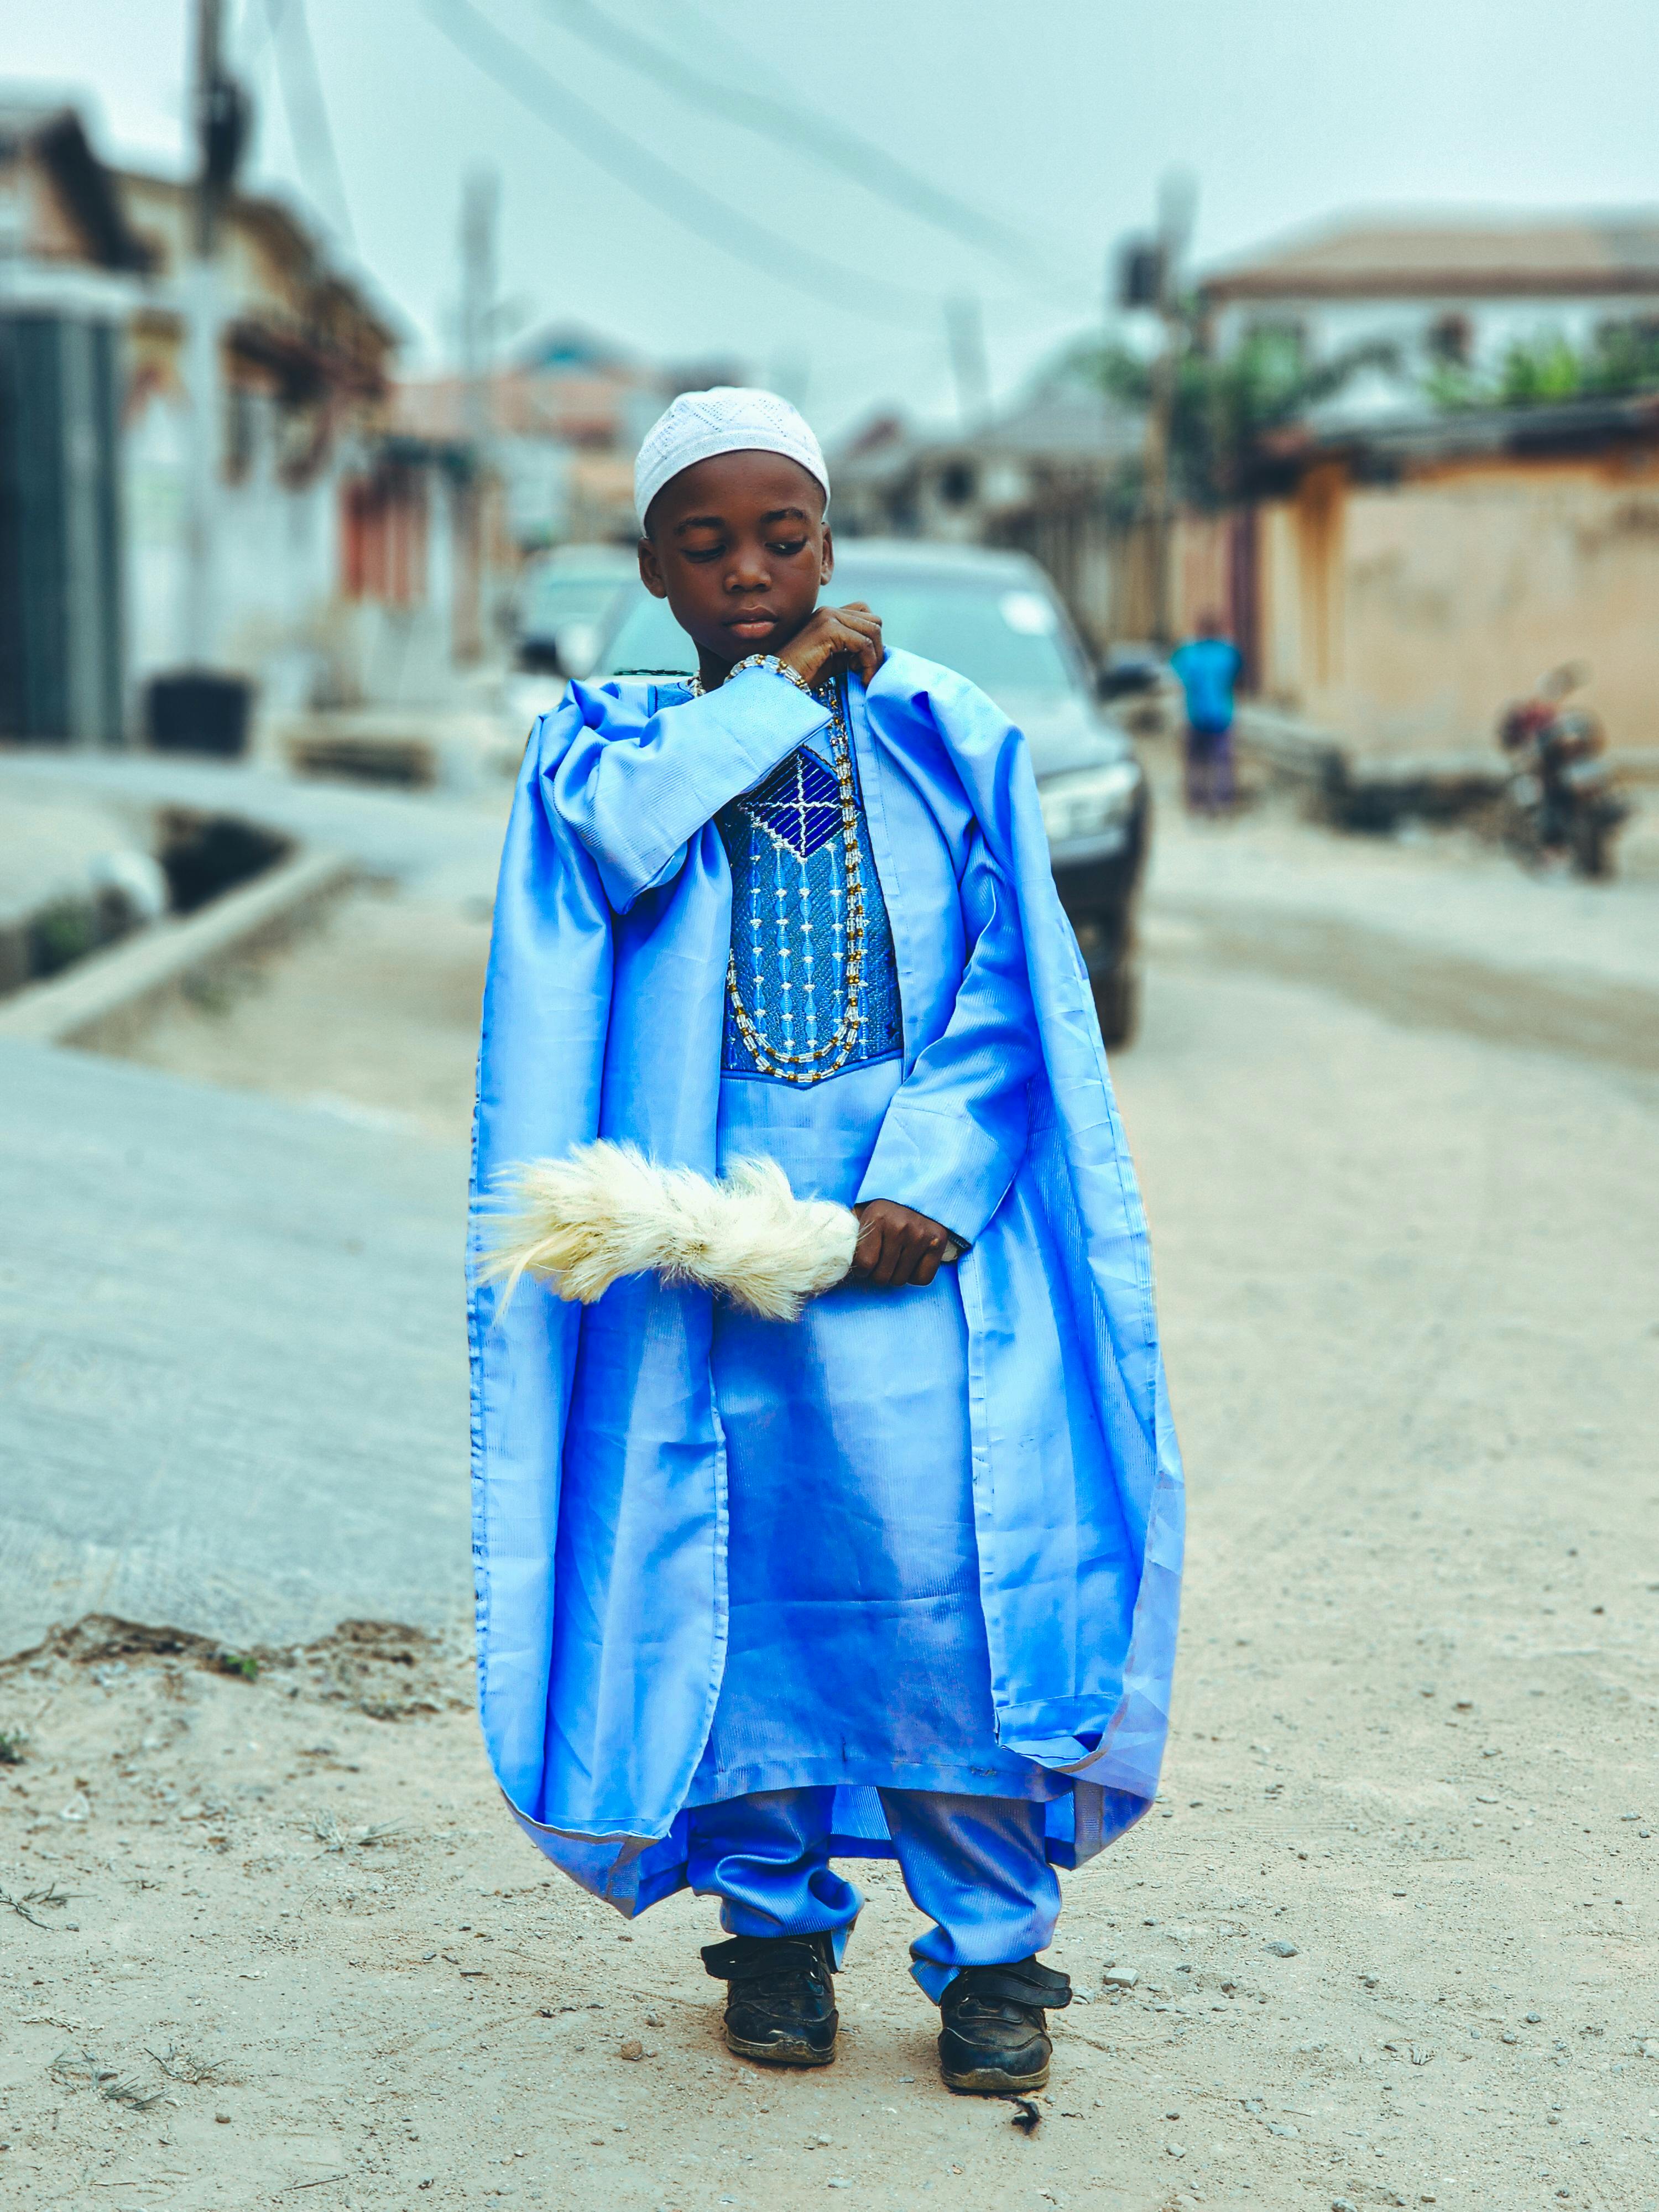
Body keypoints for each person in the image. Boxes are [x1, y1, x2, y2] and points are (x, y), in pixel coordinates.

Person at [467, 388, 1184, 2099]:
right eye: (703, 542)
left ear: (829, 542)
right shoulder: (608, 749)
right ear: (648, 568)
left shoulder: (944, 731)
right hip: (704, 1249)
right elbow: (622, 852)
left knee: (946, 1596)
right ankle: (776, 1936)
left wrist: (921, 1188)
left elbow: (1016, 980)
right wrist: (774, 699)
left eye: (782, 535)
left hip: (912, 1242)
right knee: (741, 1596)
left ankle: (991, 1954)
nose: (749, 571)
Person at [1170, 611, 1243, 815]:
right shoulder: (1227, 653)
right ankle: (1223, 803)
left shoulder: (1189, 653)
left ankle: (1197, 803)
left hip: (1196, 716)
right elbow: (1236, 673)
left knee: (1197, 763)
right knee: (1222, 764)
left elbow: (1176, 671)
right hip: (1222, 716)